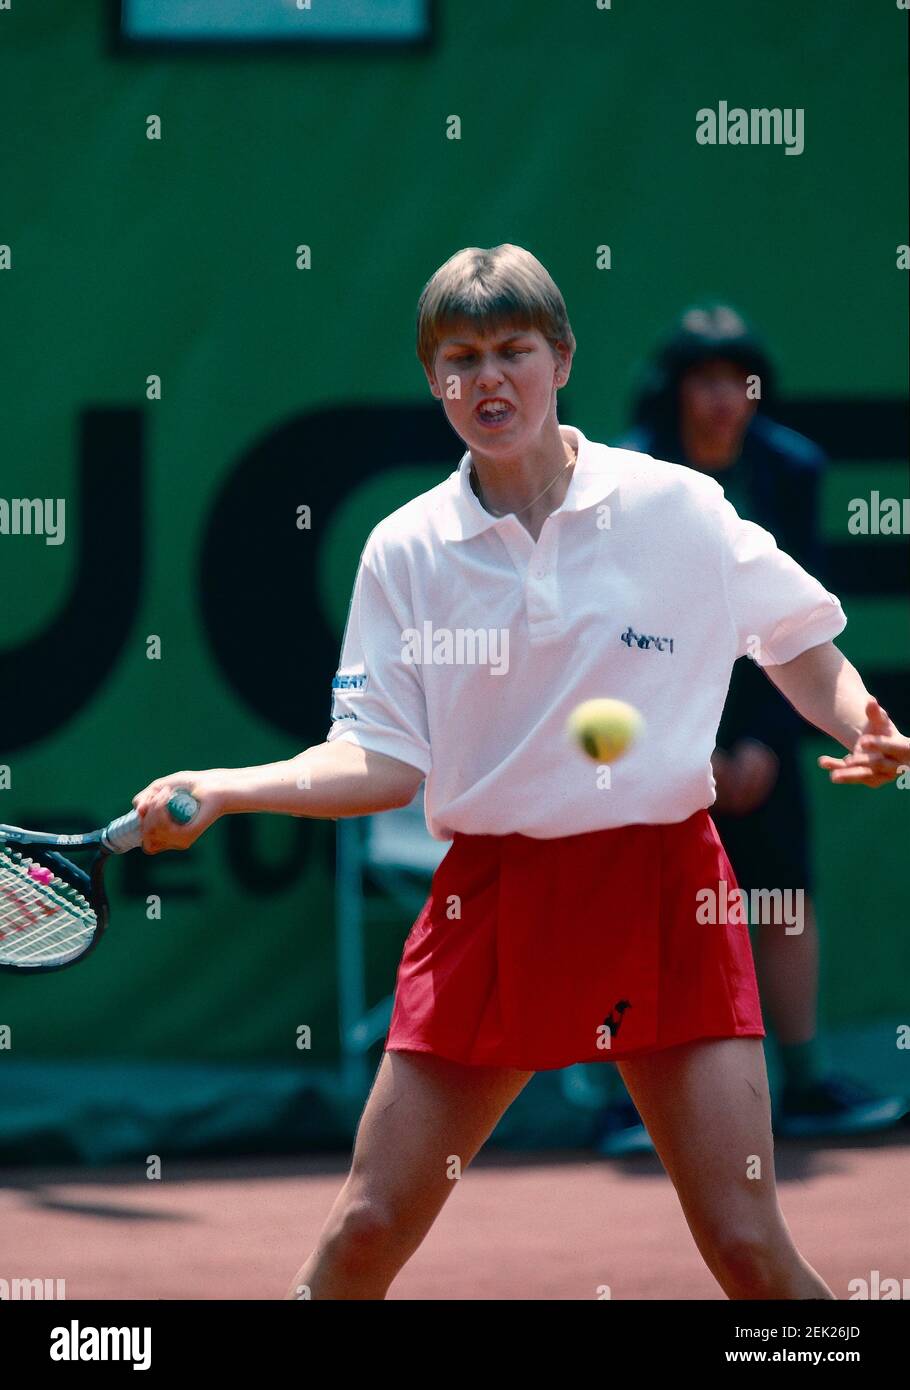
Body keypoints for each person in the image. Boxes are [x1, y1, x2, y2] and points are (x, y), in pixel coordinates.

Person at [131, 246, 906, 1300]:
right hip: (493, 904)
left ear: (562, 359)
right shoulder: (406, 551)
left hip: (665, 888)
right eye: (458, 358)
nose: (486, 379)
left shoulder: (674, 504)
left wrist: (859, 714)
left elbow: (795, 641)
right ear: (433, 378)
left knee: (745, 1245)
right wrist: (227, 786)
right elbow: (379, 758)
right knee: (362, 1233)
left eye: (511, 351)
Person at [593, 305, 907, 1156]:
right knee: (648, 906)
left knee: (783, 896)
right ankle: (632, 1101)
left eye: (739, 381)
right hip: (654, 728)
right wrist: (692, 746)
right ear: (676, 392)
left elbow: (795, 618)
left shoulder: (790, 469)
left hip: (764, 730)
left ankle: (803, 1085)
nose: (725, 399)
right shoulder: (629, 478)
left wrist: (764, 742)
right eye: (706, 381)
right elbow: (625, 629)